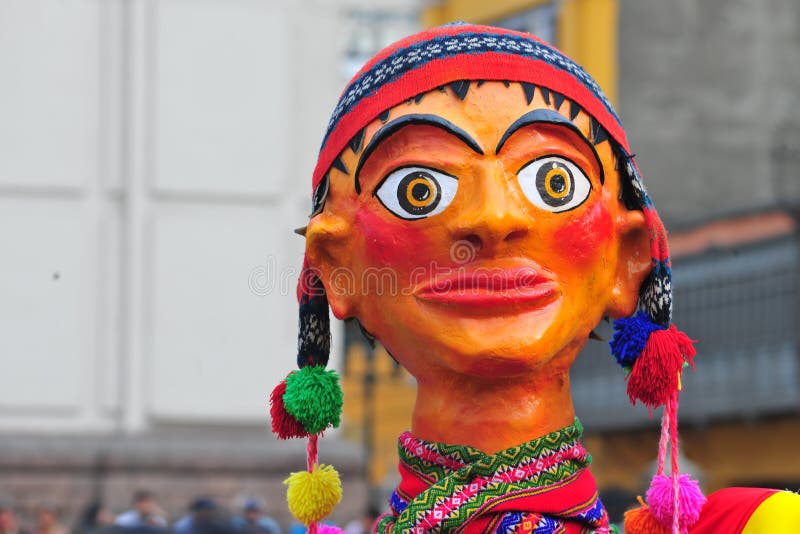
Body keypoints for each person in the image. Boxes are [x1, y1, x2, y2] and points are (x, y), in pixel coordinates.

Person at [271, 22, 800, 533]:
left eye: (553, 181)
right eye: (418, 190)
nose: (493, 218)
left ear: (627, 257)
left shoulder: (754, 525)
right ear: (338, 269)